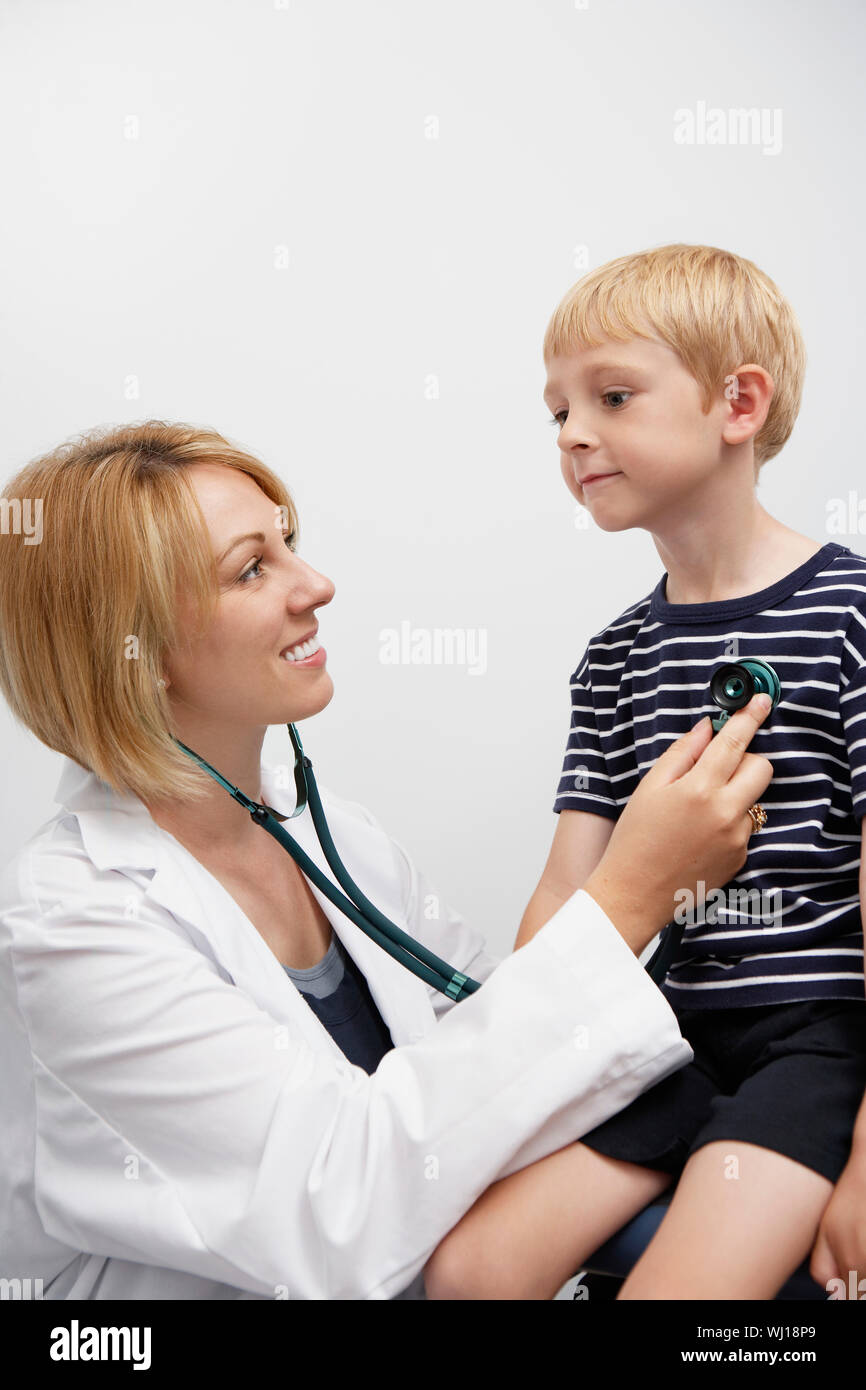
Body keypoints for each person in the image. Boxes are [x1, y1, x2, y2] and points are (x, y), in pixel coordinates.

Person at [0, 420, 772, 1301]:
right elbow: (342, 1204)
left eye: (291, 546)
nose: (317, 586)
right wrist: (631, 892)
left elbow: (508, 1066)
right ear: (132, 654)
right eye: (253, 568)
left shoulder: (347, 848)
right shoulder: (74, 920)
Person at [423, 244, 866, 1301]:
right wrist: (522, 1070)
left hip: (815, 1043)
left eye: (610, 396)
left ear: (737, 404)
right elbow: (567, 894)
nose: (573, 434)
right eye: (556, 412)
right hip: (660, 1031)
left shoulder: (849, 620)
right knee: (465, 1274)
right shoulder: (617, 656)